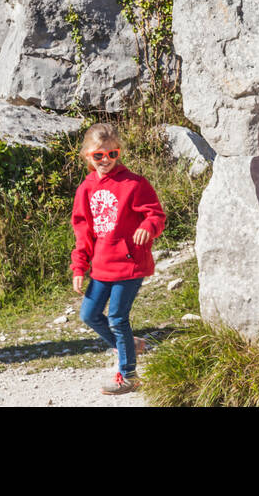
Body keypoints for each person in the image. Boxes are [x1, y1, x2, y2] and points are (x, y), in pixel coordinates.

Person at [70, 122, 166, 395]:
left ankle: (129, 376)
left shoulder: (134, 184)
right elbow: (83, 232)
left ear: (119, 153)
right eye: (98, 155)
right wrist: (79, 266)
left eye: (112, 154)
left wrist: (147, 228)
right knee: (88, 314)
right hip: (101, 266)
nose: (106, 160)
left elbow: (156, 215)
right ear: (87, 155)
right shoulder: (85, 189)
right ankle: (129, 344)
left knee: (117, 318)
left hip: (130, 264)